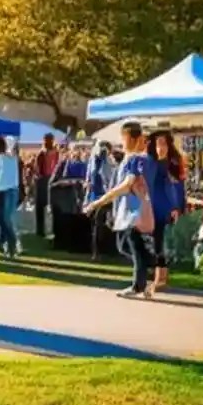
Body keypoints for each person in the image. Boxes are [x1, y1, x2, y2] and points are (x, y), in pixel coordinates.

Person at [84, 122, 157, 298]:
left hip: (135, 211)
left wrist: (98, 202)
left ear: (135, 139)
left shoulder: (136, 159)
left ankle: (139, 284)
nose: (122, 142)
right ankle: (150, 270)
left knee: (132, 245)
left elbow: (126, 185)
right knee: (125, 246)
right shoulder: (126, 160)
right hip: (125, 211)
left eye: (125, 138)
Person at [145, 131, 186, 290]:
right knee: (154, 244)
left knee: (162, 242)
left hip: (166, 209)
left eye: (163, 144)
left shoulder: (173, 165)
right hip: (150, 207)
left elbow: (178, 188)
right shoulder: (149, 163)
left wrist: (178, 208)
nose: (160, 148)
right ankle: (157, 277)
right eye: (157, 144)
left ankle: (160, 279)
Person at [32, 133, 60, 239]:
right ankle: (40, 230)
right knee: (40, 206)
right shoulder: (42, 153)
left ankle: (51, 229)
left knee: (51, 206)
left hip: (49, 179)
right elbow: (37, 169)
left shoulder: (51, 153)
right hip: (44, 180)